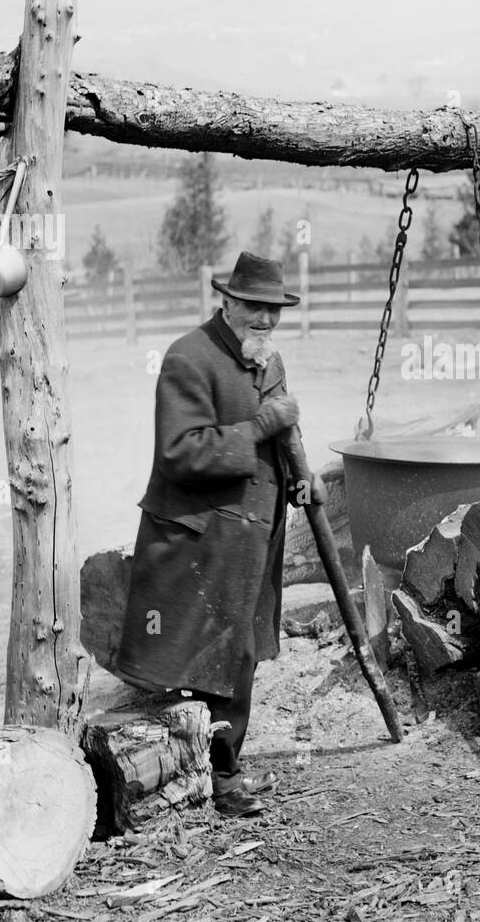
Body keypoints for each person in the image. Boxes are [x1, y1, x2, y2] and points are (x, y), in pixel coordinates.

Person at [111, 251, 322, 817]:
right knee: (211, 656)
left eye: (274, 309)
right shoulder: (189, 358)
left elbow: (284, 432)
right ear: (226, 301)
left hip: (250, 538)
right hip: (198, 541)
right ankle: (220, 779)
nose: (266, 319)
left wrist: (301, 476)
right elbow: (181, 454)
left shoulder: (266, 360)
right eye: (255, 306)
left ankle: (219, 766)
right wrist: (259, 427)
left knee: (241, 653)